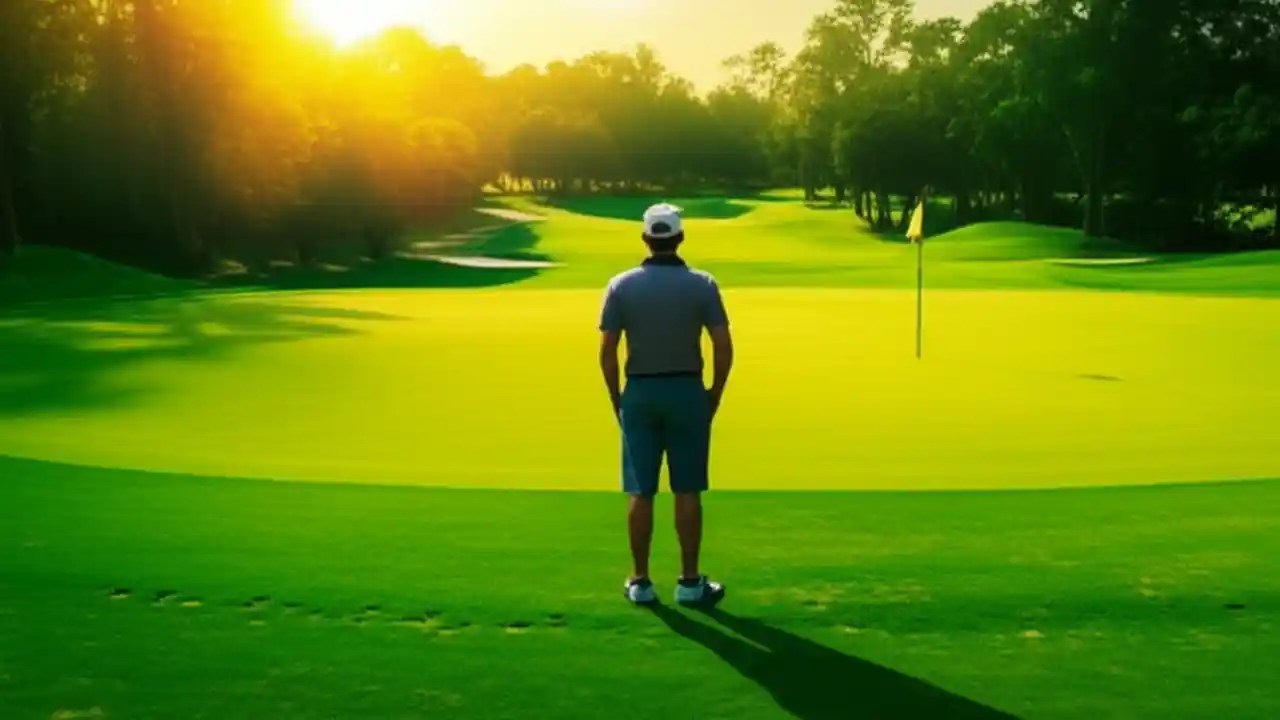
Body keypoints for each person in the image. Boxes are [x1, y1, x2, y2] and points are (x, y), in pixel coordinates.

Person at [598, 203, 734, 607]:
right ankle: (690, 583)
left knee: (641, 490)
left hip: (639, 391)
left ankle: (640, 582)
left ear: (645, 239)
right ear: (679, 238)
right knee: (687, 488)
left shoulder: (620, 285)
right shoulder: (703, 284)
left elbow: (606, 351)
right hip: (687, 391)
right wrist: (714, 393)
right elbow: (723, 345)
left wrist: (616, 399)